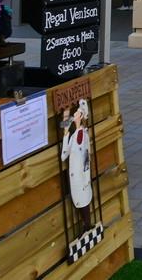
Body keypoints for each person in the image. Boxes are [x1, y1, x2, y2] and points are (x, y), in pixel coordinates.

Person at [60, 99, 94, 235]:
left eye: (77, 114)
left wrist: (68, 120)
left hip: (80, 173)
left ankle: (87, 224)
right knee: (81, 199)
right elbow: (64, 154)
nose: (75, 115)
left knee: (82, 198)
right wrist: (66, 115)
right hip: (78, 174)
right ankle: (86, 224)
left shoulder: (81, 135)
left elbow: (68, 152)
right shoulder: (77, 134)